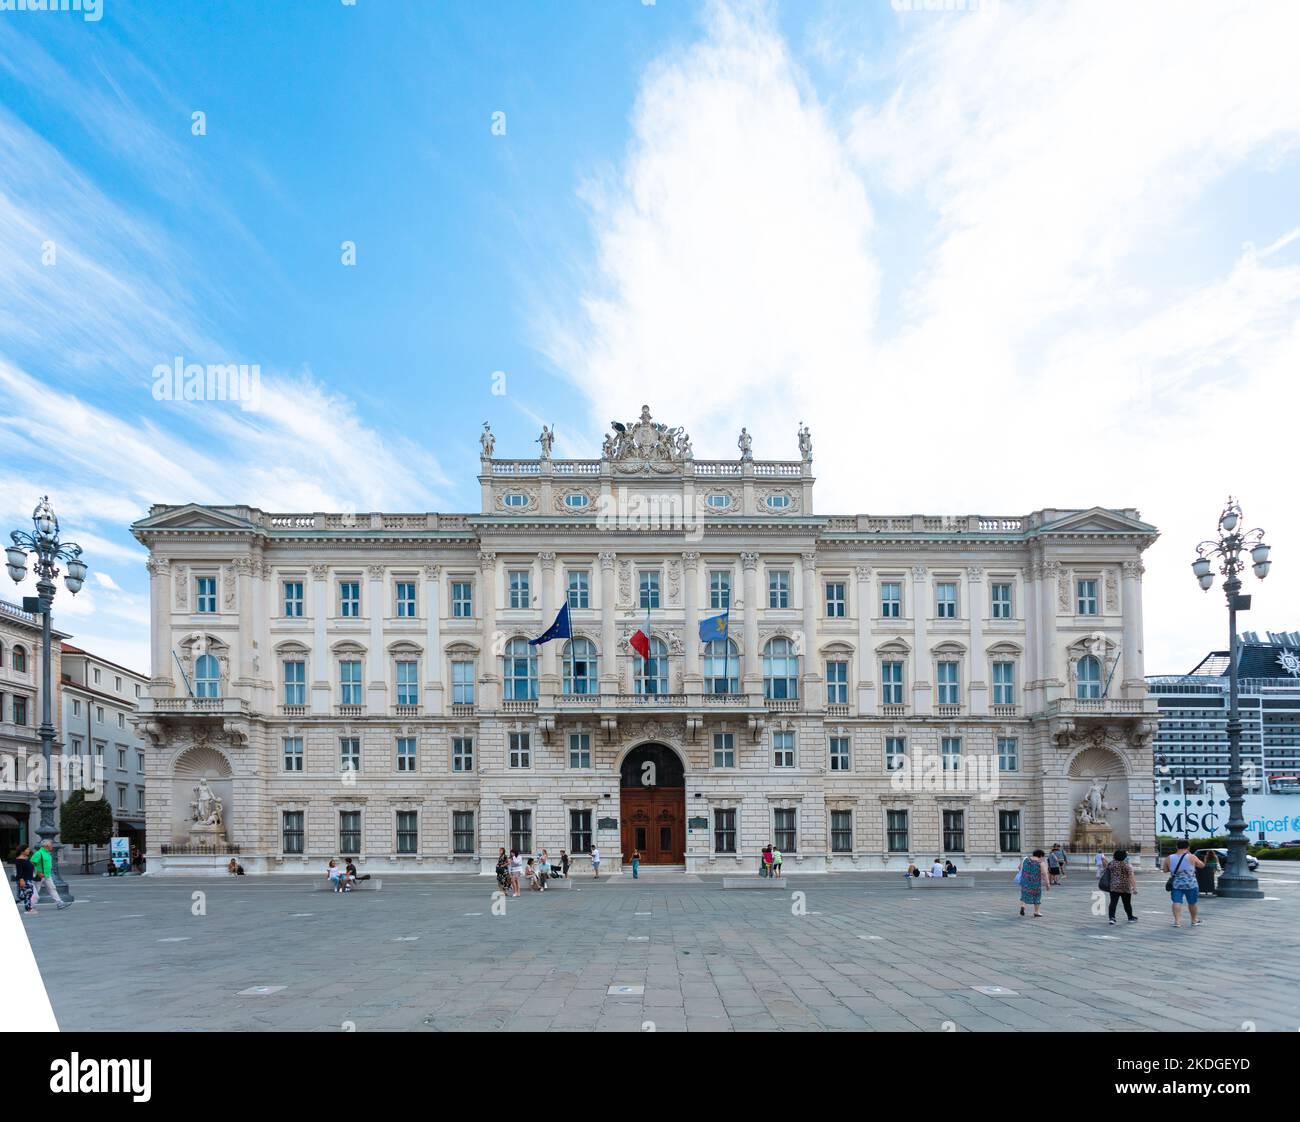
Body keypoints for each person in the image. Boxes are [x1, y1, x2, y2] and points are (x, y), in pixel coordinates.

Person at [1163, 840, 1205, 928]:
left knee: (1176, 901)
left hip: (1176, 884)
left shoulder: (1169, 858)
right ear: (1188, 847)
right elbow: (1202, 865)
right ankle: (1194, 920)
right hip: (1191, 884)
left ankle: (1177, 921)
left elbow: (1165, 870)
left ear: (1176, 847)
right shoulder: (1192, 857)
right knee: (1192, 902)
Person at [30, 839, 71, 911]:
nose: (52, 846)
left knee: (52, 888)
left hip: (47, 875)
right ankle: (30, 906)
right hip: (39, 876)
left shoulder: (47, 853)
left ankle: (59, 903)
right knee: (35, 891)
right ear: (47, 846)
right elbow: (31, 864)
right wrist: (38, 872)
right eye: (51, 845)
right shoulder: (39, 853)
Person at [1104, 849, 1137, 924]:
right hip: (1125, 887)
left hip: (1114, 886)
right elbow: (1131, 877)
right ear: (1124, 856)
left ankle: (1112, 918)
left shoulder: (1111, 864)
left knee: (1113, 903)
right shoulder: (1127, 865)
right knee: (1127, 903)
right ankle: (1130, 917)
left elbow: (1106, 869)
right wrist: (1134, 888)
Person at [1018, 849, 1049, 917]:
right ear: (1041, 856)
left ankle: (1023, 906)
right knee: (1037, 895)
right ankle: (1036, 912)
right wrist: (1047, 884)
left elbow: (1019, 867)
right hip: (1035, 882)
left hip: (1025, 880)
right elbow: (1044, 874)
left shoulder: (1026, 859)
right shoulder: (1040, 863)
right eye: (1043, 857)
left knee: (1025, 894)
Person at [14, 845, 36, 915]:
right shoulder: (19, 860)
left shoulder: (26, 858)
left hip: (28, 878)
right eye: (27, 849)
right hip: (24, 879)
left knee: (23, 896)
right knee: (28, 893)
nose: (28, 850)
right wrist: (21, 880)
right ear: (22, 851)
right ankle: (28, 909)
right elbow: (19, 872)